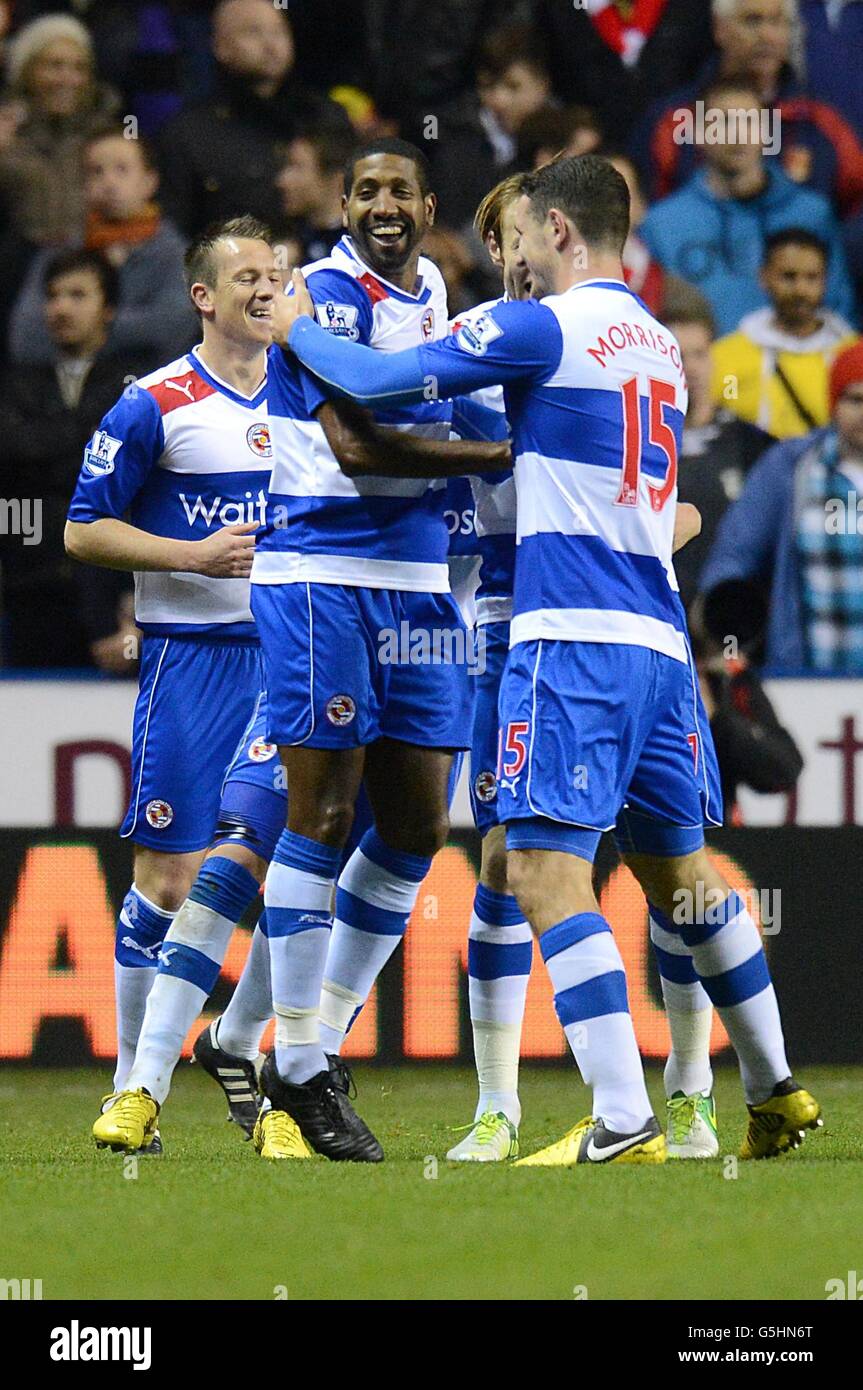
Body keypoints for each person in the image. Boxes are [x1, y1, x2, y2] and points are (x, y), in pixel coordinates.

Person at [279, 153, 823, 1165]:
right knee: (682, 878)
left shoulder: (538, 329)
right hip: (661, 644)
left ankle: (621, 1112)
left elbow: (381, 379)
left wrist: (295, 327)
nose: (514, 252)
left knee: (534, 867)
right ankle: (772, 1083)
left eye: (522, 231)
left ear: (559, 231)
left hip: (568, 636)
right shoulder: (656, 342)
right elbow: (664, 504)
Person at [90, 140, 511, 1160]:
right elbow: (359, 445)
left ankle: (272, 1044)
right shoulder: (316, 297)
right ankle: (237, 1070)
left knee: (415, 829)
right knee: (276, 831)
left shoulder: (438, 298)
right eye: (363, 190)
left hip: (417, 590)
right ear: (341, 207)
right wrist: (508, 451)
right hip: (312, 584)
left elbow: (446, 410)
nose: (381, 205)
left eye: (399, 191)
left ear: (428, 209)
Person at [66, 217, 281, 1155]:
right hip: (191, 662)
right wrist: (192, 554)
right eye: (247, 278)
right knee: (167, 876)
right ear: (202, 296)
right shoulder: (153, 403)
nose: (266, 291)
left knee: (294, 871)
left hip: (291, 662)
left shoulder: (309, 396)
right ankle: (131, 1090)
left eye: (275, 276)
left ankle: (266, 1064)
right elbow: (81, 529)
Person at [0, 247, 148, 668]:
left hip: (115, 597)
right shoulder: (17, 383)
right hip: (31, 589)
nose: (61, 308)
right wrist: (91, 435)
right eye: (53, 295)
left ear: (109, 308)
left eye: (78, 295)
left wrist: (137, 599)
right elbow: (12, 454)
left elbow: (138, 478)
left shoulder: (139, 380)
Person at [640, 78, 856, 334]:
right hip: (698, 360)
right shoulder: (662, 225)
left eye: (749, 122)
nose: (738, 135)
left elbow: (839, 314)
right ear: (697, 133)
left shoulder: (811, 215)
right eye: (723, 122)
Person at [700, 339, 863, 674]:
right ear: (834, 403)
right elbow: (734, 554)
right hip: (804, 685)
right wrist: (730, 630)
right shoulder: (791, 466)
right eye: (856, 399)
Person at [634, 0, 863, 213]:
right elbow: (647, 214)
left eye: (778, 22)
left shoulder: (821, 121)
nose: (767, 35)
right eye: (752, 20)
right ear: (720, 28)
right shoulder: (675, 121)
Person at [8, 123, 197, 368]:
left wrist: (81, 328)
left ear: (150, 181)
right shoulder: (60, 252)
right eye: (96, 171)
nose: (109, 182)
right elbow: (25, 337)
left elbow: (172, 330)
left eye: (122, 169)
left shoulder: (176, 255)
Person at [156, 0, 351, 236]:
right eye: (253, 32)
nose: (271, 44)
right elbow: (175, 232)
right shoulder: (189, 133)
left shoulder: (327, 116)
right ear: (220, 46)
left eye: (279, 32)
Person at [666, 297, 774, 607]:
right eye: (677, 356)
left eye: (699, 354)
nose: (689, 367)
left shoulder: (753, 445)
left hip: (729, 621)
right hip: (660, 618)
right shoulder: (636, 446)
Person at [712, 227, 858, 438]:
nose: (800, 289)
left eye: (812, 277)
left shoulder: (852, 355)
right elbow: (727, 405)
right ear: (764, 277)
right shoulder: (728, 358)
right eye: (789, 276)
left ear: (825, 281)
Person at [0, 14, 119, 246]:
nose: (68, 79)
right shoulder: (7, 133)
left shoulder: (107, 133)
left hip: (92, 257)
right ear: (26, 72)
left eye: (79, 68)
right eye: (55, 65)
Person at [274, 125, 357, 266]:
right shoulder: (286, 246)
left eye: (296, 167)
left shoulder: (361, 248)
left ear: (337, 179)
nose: (282, 181)